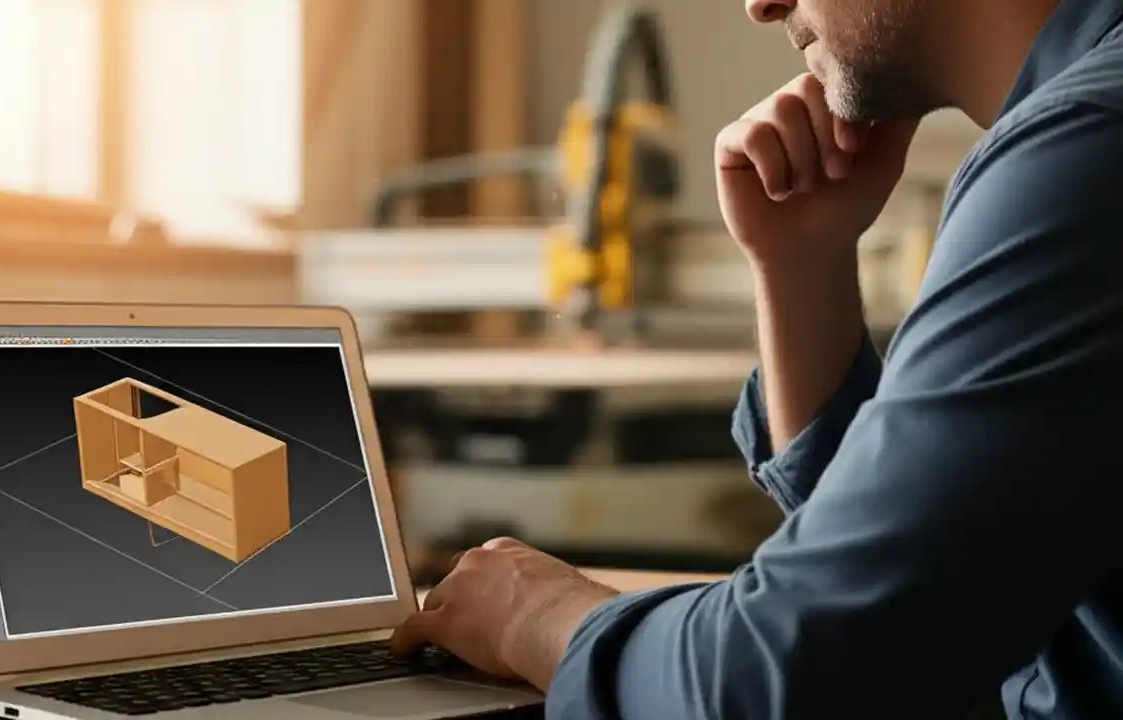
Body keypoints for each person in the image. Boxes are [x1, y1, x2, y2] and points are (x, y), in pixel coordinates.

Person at [390, 0, 1123, 716]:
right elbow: (921, 579)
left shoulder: (1087, 146)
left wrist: (537, 615)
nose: (760, 6)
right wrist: (803, 268)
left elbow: (814, 670)